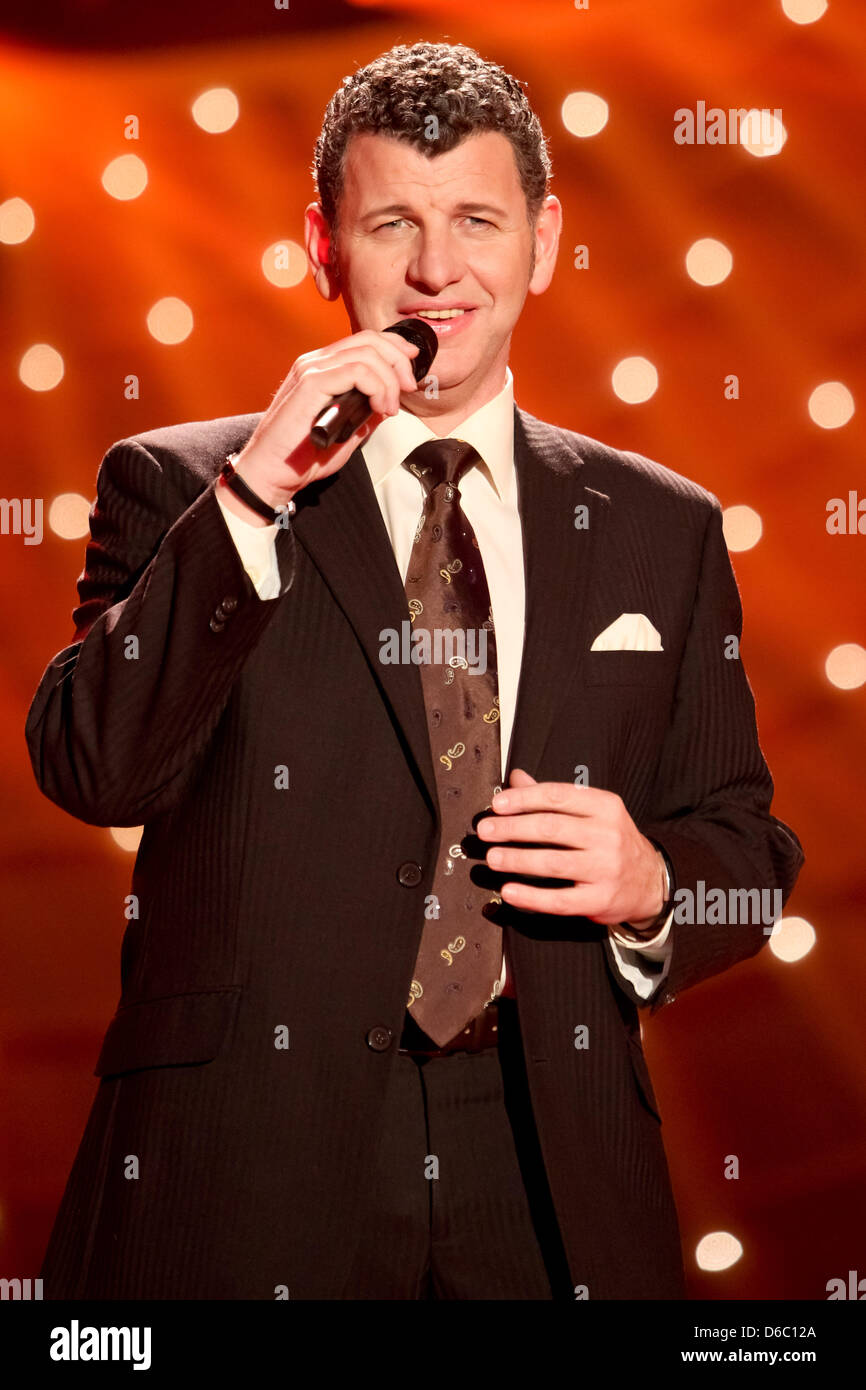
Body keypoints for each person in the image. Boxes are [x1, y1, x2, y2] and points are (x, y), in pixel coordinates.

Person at [25, 40, 803, 1300]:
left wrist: (655, 880)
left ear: (543, 241)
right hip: (243, 1167)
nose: (437, 270)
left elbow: (745, 845)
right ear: (324, 246)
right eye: (392, 222)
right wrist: (257, 490)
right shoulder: (180, 486)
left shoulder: (663, 525)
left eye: (476, 221)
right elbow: (93, 765)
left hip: (548, 1172)